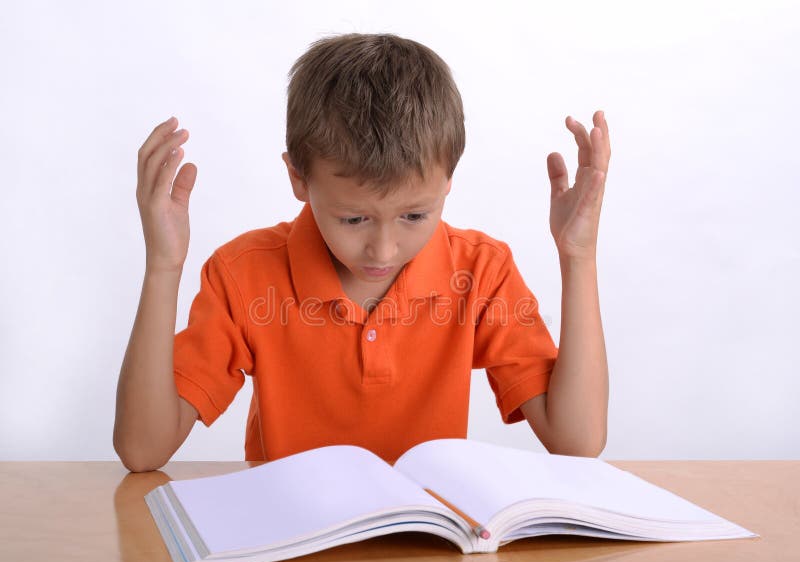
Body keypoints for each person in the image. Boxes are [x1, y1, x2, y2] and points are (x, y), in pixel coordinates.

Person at [114, 33, 611, 473]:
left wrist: (578, 256)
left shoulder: (481, 271)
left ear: (448, 183)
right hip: (295, 558)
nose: (383, 248)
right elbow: (142, 451)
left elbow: (578, 442)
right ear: (298, 179)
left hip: (427, 558)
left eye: (415, 216)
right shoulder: (244, 275)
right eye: (354, 220)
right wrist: (163, 265)